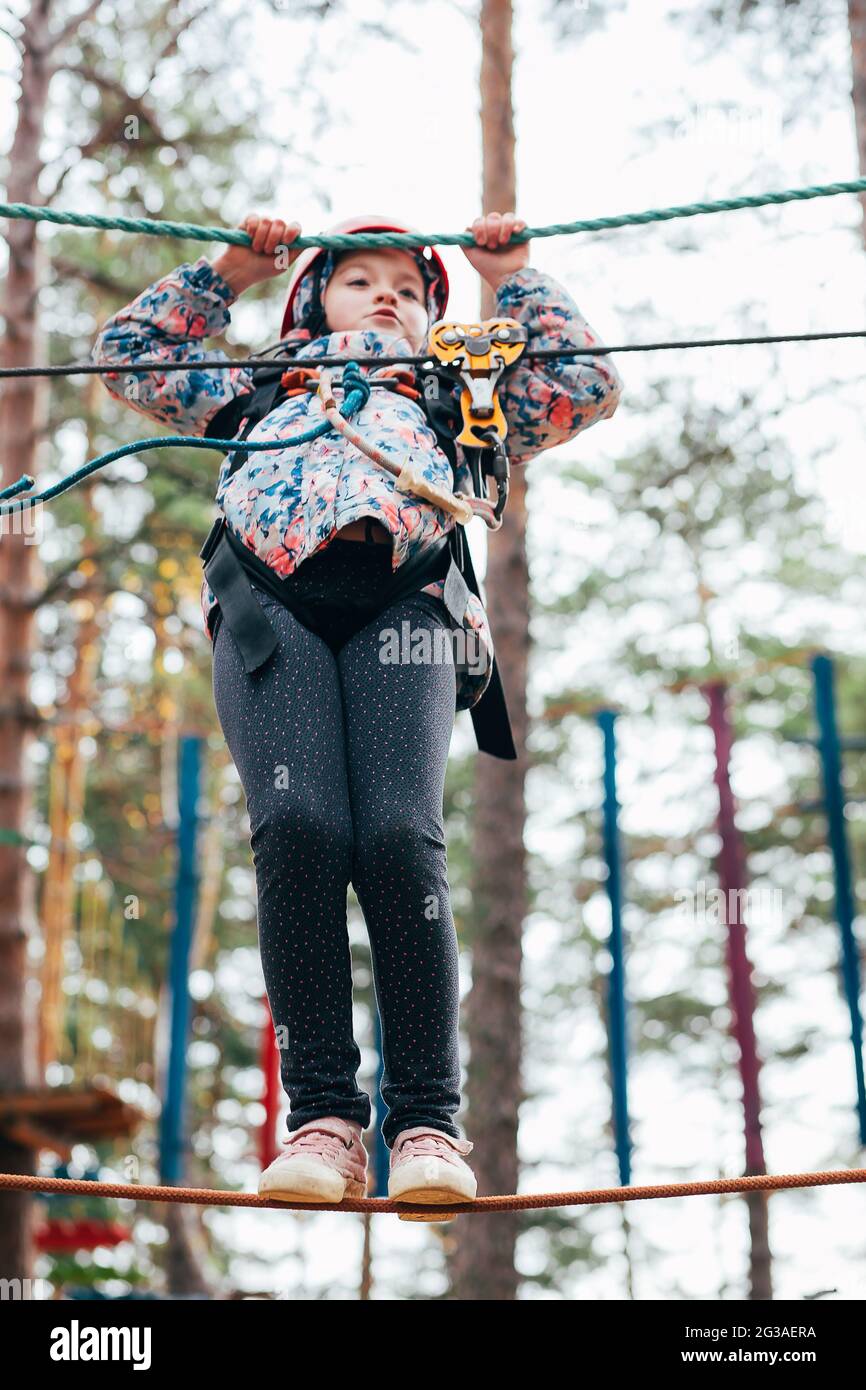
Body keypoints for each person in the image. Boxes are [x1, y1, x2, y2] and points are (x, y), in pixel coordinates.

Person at [92, 209, 623, 1215]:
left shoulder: (454, 391)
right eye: (358, 279)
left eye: (412, 288)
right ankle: (324, 1122)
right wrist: (228, 271)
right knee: (297, 828)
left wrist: (510, 278)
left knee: (393, 836)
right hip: (268, 607)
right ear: (311, 299)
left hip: (406, 605)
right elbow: (128, 358)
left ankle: (425, 1123)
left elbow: (584, 387)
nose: (389, 294)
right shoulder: (255, 389)